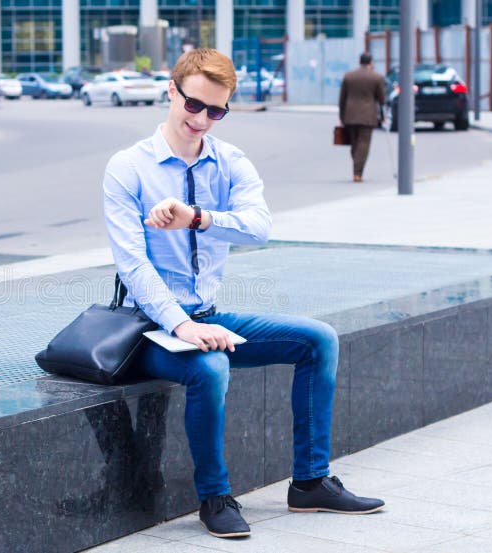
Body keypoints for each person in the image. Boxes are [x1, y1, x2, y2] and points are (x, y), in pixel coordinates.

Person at [103, 48, 384, 540]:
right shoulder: (128, 168)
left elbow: (259, 227)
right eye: (194, 106)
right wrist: (182, 325)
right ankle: (214, 498)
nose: (202, 120)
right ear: (172, 91)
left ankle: (311, 482)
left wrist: (200, 217)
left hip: (209, 315)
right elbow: (133, 264)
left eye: (217, 111)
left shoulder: (229, 162)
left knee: (319, 339)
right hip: (148, 328)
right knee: (209, 368)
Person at [338, 52, 386, 182]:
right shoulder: (376, 77)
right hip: (367, 116)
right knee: (364, 143)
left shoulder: (348, 76)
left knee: (354, 143)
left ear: (359, 62)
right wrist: (382, 114)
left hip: (350, 115)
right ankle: (357, 173)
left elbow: (342, 98)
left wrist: (342, 116)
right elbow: (382, 99)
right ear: (371, 63)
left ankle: (356, 168)